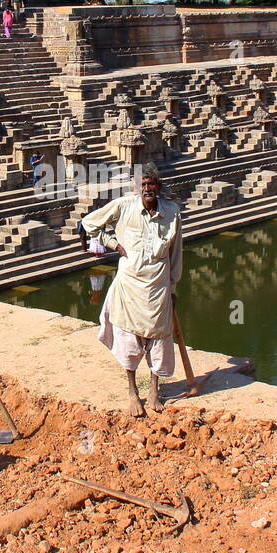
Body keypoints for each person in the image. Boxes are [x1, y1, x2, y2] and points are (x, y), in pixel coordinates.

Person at [80, 163, 183, 417]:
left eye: (152, 185)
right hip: (129, 287)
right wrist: (113, 243)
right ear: (138, 188)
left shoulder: (172, 211)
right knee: (129, 341)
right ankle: (132, 391)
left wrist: (173, 286)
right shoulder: (124, 206)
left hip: (158, 287)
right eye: (143, 185)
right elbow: (89, 223)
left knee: (158, 339)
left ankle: (154, 390)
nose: (148, 189)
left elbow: (176, 253)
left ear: (158, 187)